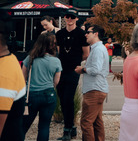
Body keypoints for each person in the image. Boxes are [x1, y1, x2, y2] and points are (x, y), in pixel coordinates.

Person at [56, 8, 89, 141]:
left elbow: (86, 53)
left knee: (68, 98)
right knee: (62, 97)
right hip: (61, 69)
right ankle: (71, 128)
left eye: (72, 17)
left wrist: (76, 62)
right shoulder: (59, 34)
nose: (69, 19)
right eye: (67, 17)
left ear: (76, 19)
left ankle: (67, 129)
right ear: (64, 18)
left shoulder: (81, 34)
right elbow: (59, 51)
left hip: (73, 70)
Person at [22, 32, 61, 141]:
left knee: (23, 126)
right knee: (44, 126)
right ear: (52, 45)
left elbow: (22, 77)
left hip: (31, 95)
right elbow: (56, 82)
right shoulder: (56, 61)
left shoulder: (30, 59)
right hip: (49, 94)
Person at [74, 25, 109, 141]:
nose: (85, 34)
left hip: (94, 90)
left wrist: (82, 70)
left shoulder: (98, 49)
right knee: (97, 122)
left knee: (86, 122)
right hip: (98, 88)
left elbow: (96, 70)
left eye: (88, 32)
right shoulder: (98, 48)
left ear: (96, 34)